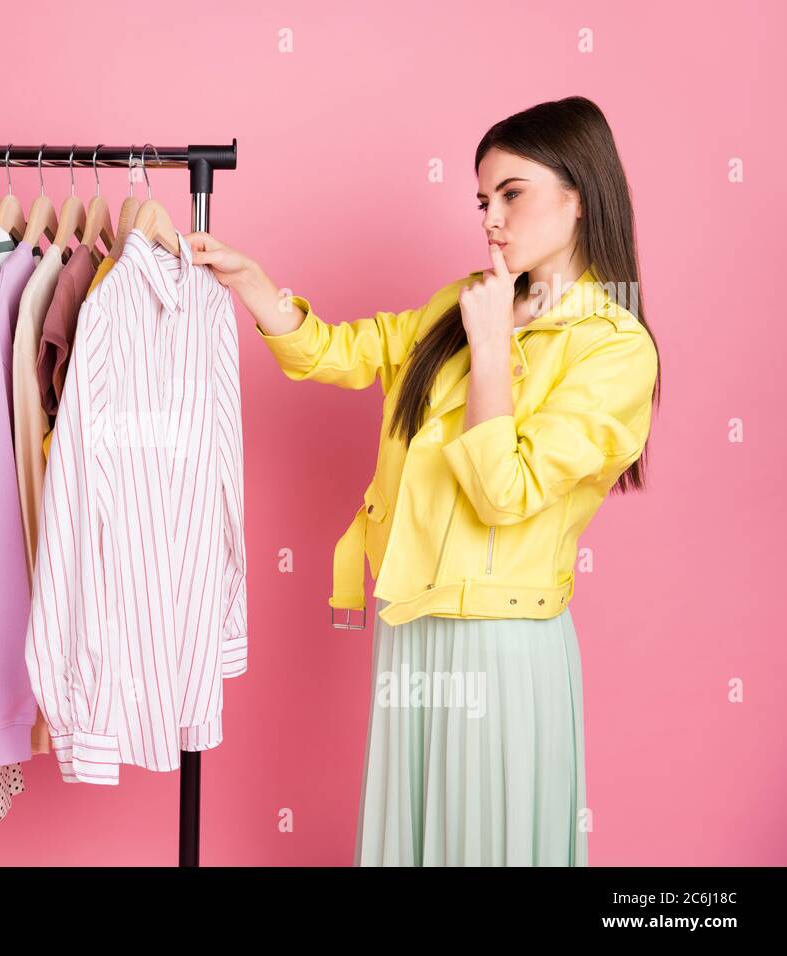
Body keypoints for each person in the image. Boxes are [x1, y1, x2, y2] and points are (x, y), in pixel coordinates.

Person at [186, 95, 661, 866]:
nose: (491, 219)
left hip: (504, 641)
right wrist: (253, 285)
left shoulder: (615, 348)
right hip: (413, 625)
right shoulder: (466, 300)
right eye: (483, 200)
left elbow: (504, 491)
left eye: (513, 193)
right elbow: (347, 351)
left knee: (484, 845)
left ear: (578, 197)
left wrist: (491, 341)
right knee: (416, 843)